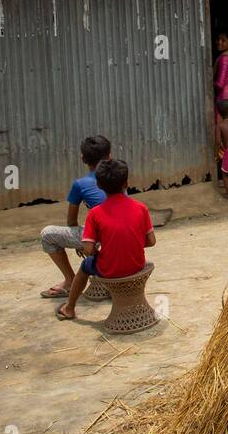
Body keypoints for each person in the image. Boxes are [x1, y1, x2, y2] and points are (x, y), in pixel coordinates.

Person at [56, 159, 155, 321]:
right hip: (137, 266)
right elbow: (151, 241)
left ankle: (69, 308)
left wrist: (101, 250)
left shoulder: (94, 214)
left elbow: (88, 250)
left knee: (85, 266)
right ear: (126, 183)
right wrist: (131, 242)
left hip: (109, 270)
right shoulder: (141, 208)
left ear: (99, 186)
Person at [39, 135, 111, 299]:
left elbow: (71, 221)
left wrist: (82, 243)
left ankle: (70, 280)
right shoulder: (119, 176)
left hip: (101, 238)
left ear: (83, 158)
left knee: (47, 235)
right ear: (110, 156)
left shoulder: (80, 184)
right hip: (121, 235)